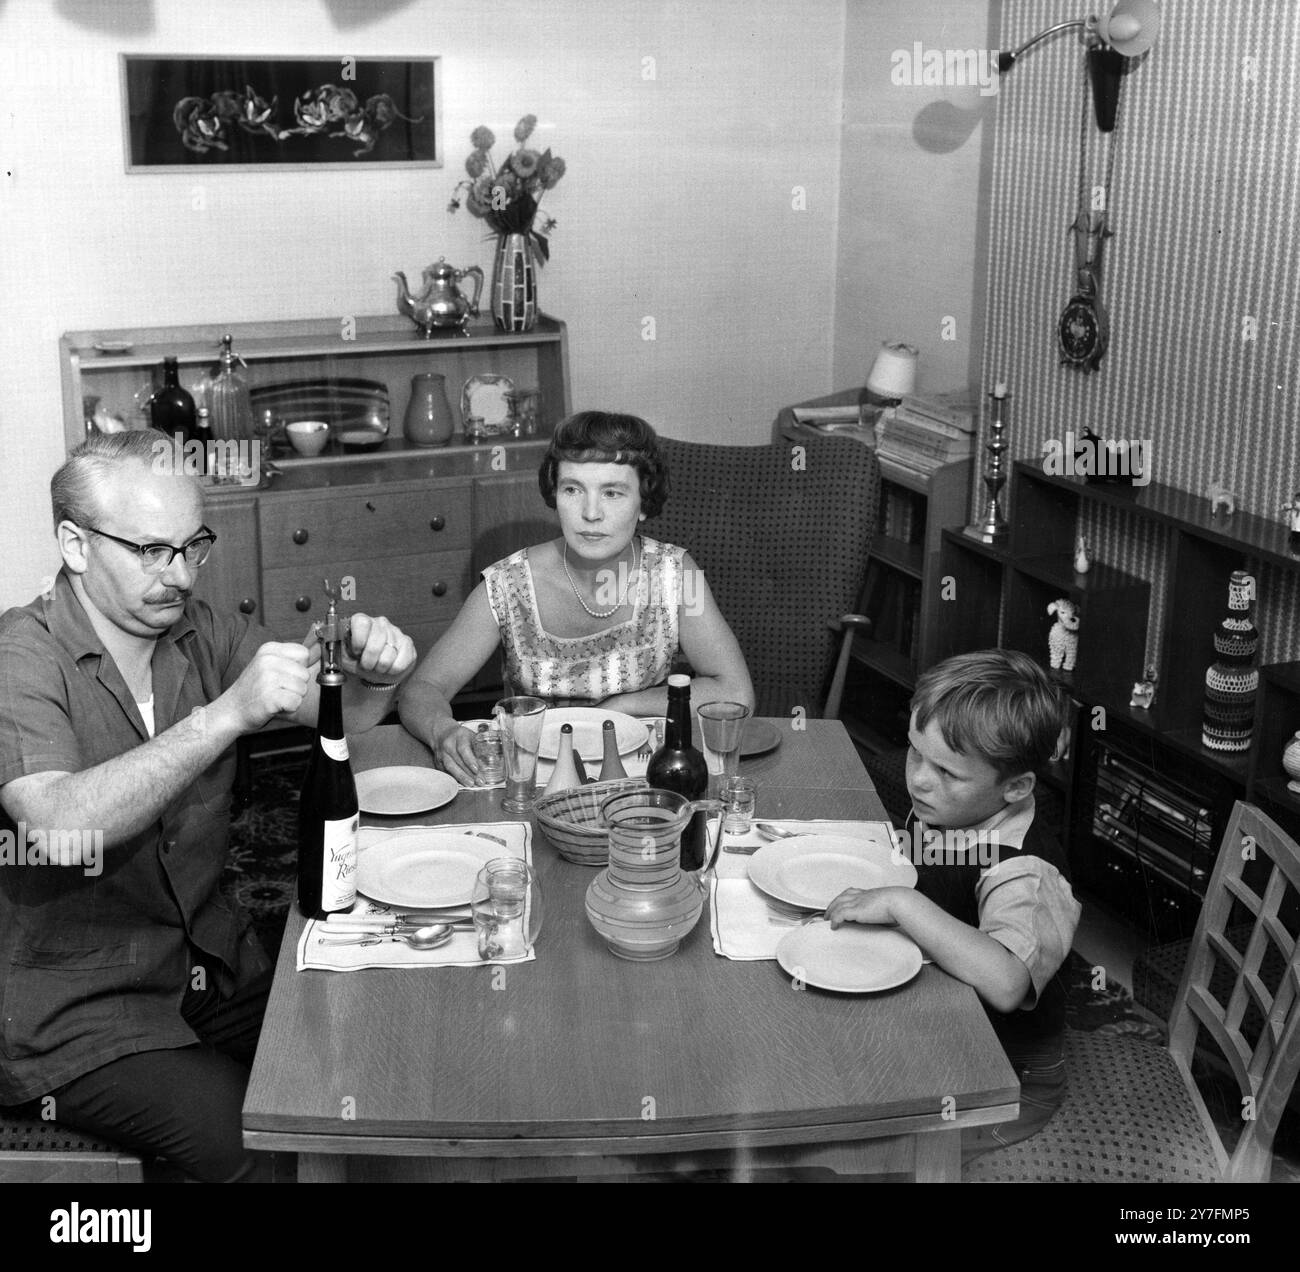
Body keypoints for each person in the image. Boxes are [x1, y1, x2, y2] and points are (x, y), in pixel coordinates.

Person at [0, 430, 417, 1182]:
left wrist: (375, 675)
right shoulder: (20, 657)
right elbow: (59, 829)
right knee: (268, 1145)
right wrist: (223, 715)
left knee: (375, 1052)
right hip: (78, 1008)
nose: (182, 576)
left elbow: (346, 718)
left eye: (193, 546)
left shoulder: (201, 632)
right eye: (151, 551)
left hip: (208, 965)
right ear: (74, 542)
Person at [400, 410, 753, 784]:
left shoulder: (676, 574)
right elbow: (421, 690)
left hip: (640, 779)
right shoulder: (508, 582)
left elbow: (735, 693)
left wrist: (624, 706)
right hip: (532, 783)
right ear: (555, 493)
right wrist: (443, 731)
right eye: (573, 489)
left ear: (645, 502)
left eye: (612, 492)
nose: (590, 513)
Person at [824, 648, 1082, 1155]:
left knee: (852, 1149)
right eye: (914, 751)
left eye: (947, 772)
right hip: (938, 1026)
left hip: (1004, 1080)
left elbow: (1008, 983)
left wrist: (902, 904)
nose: (918, 778)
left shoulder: (1023, 869)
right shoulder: (951, 812)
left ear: (1016, 788)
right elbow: (927, 868)